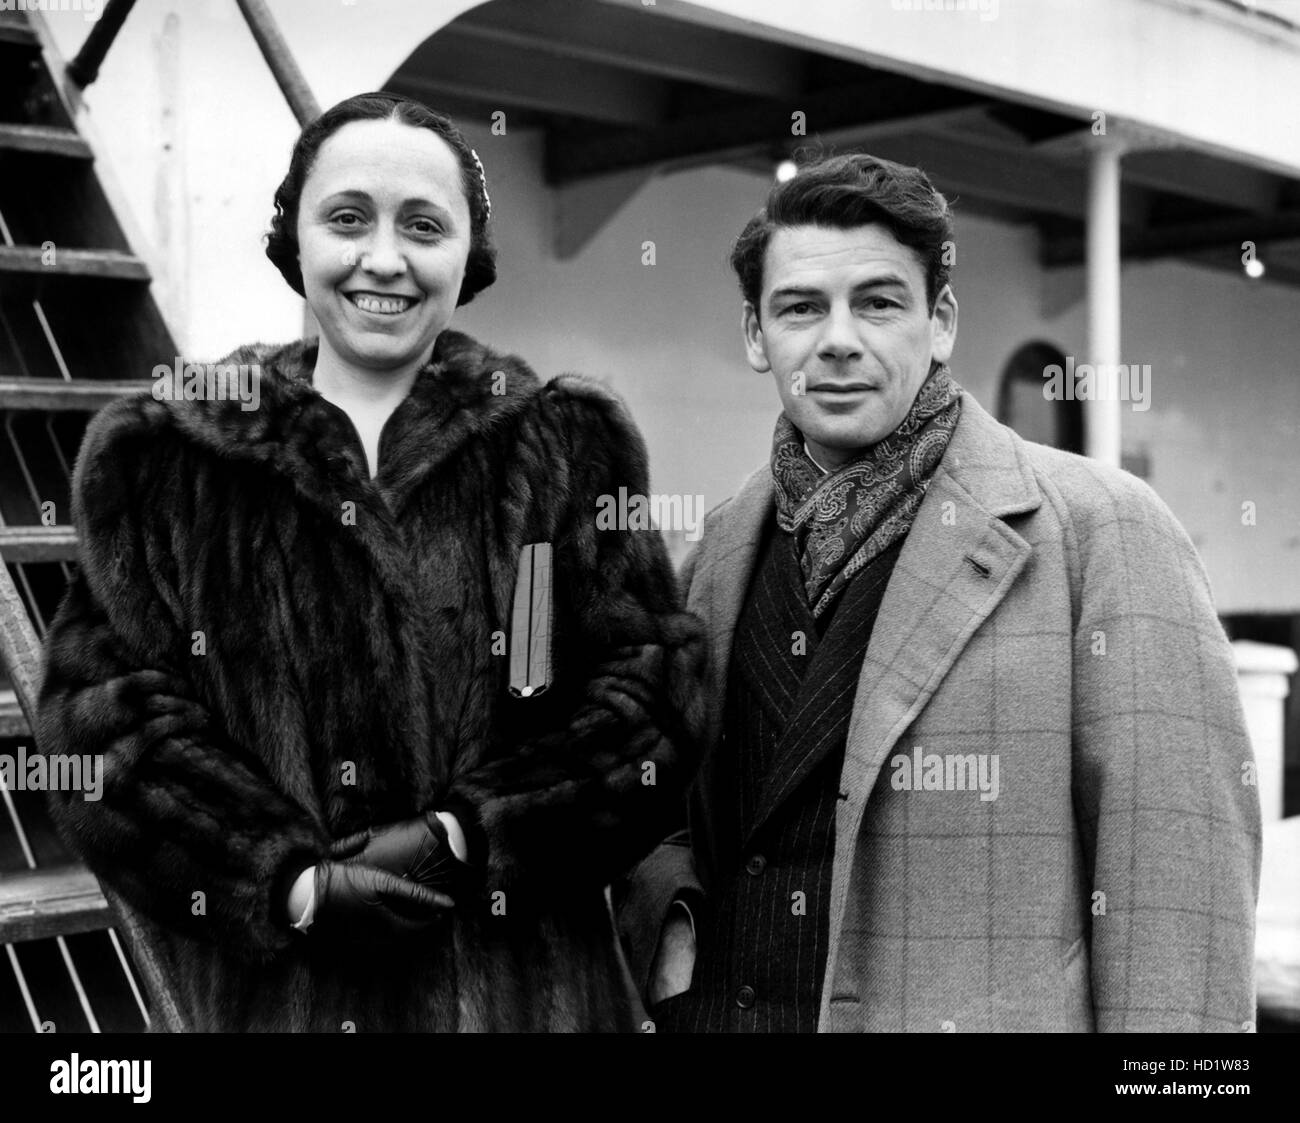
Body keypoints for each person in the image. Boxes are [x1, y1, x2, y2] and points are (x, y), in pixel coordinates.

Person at [36, 92, 706, 1032]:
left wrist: (469, 835)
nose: (383, 258)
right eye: (347, 218)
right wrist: (287, 881)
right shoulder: (169, 457)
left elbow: (653, 702)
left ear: (467, 253)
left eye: (423, 226)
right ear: (295, 237)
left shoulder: (562, 443)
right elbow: (96, 731)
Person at [617, 152, 1261, 1033]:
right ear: (755, 335)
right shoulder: (719, 548)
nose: (838, 338)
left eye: (878, 303)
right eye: (800, 307)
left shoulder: (1102, 530)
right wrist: (675, 926)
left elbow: (1179, 891)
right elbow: (653, 808)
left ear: (942, 320)